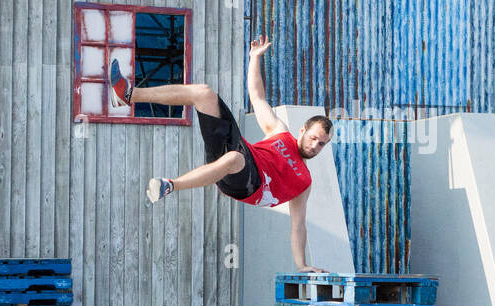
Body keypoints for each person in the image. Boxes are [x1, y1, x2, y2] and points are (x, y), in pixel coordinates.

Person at [107, 35, 332, 274]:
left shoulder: (304, 182)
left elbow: (298, 225)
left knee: (235, 159)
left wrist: (302, 265)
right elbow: (258, 98)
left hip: (249, 185)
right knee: (203, 93)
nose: (315, 146)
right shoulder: (280, 133)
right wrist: (254, 58)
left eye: (322, 144)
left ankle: (170, 185)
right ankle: (128, 95)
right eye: (313, 138)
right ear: (303, 130)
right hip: (240, 151)